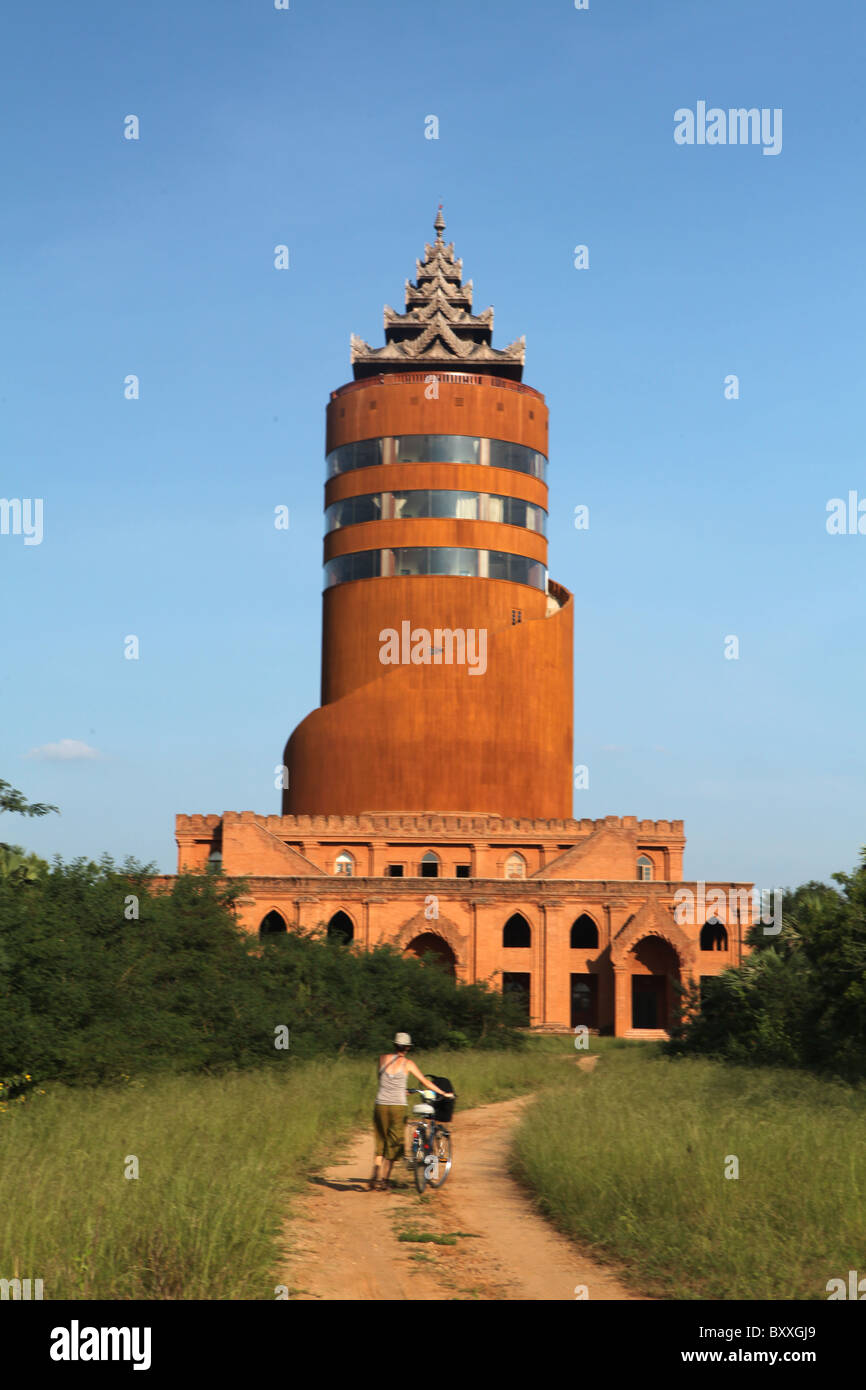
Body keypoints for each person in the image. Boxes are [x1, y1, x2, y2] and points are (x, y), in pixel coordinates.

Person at [368, 1031, 455, 1192]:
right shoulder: (408, 1064)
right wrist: (444, 1093)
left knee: (380, 1139)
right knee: (395, 1142)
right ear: (407, 1047)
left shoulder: (381, 1059)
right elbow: (425, 1082)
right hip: (397, 1106)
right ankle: (384, 1180)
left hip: (380, 1104)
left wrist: (403, 1089)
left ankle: (375, 1171)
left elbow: (384, 1081)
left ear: (394, 1045)